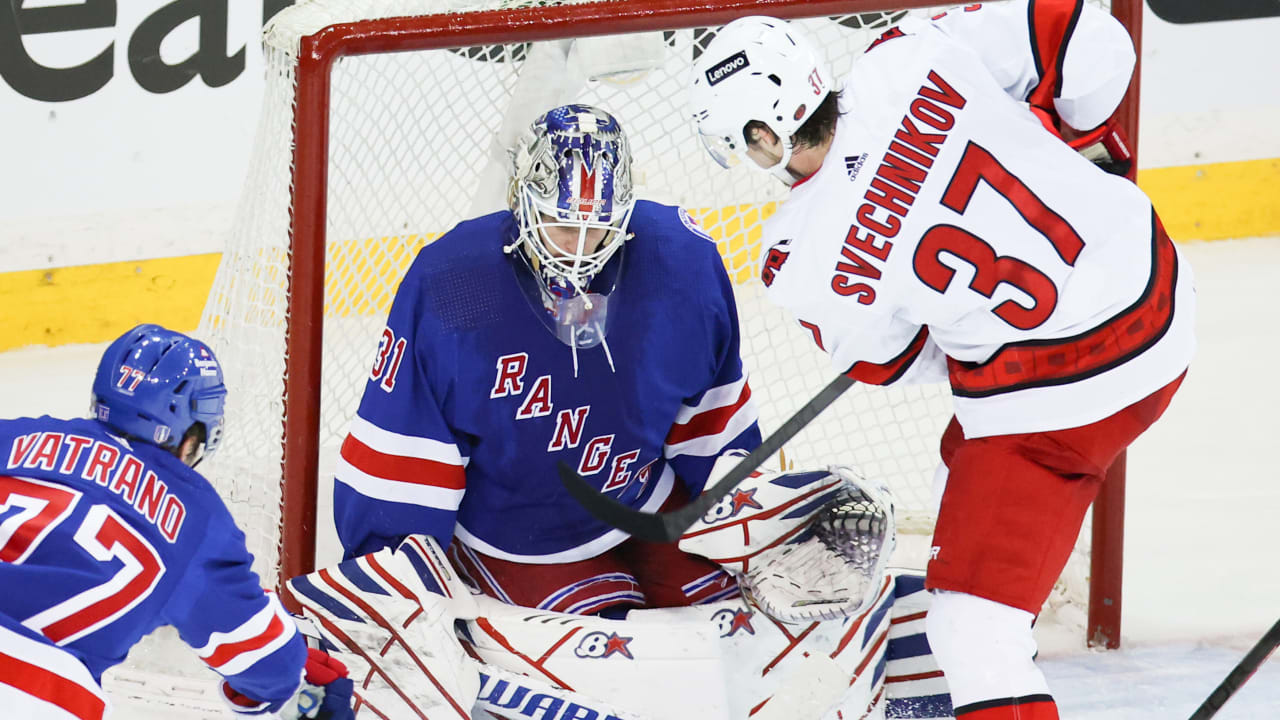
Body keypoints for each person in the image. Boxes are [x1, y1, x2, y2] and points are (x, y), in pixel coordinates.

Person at [689, 4, 1194, 720]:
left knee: (969, 628)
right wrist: (1067, 139)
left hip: (1060, 409)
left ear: (764, 136)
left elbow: (902, 362)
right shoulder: (910, 49)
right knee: (956, 468)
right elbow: (1095, 46)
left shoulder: (796, 257)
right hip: (1161, 290)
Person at [333, 103, 763, 617]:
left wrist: (744, 514)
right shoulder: (454, 282)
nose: (579, 250)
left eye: (597, 227)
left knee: (731, 606)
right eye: (561, 224)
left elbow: (710, 419)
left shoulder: (680, 265)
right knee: (612, 631)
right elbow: (405, 445)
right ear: (523, 201)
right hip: (515, 528)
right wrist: (394, 580)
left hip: (641, 497)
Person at [0, 323, 353, 720]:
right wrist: (298, 675)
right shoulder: (197, 519)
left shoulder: (15, 436)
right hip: (32, 692)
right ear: (195, 433)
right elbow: (272, 669)